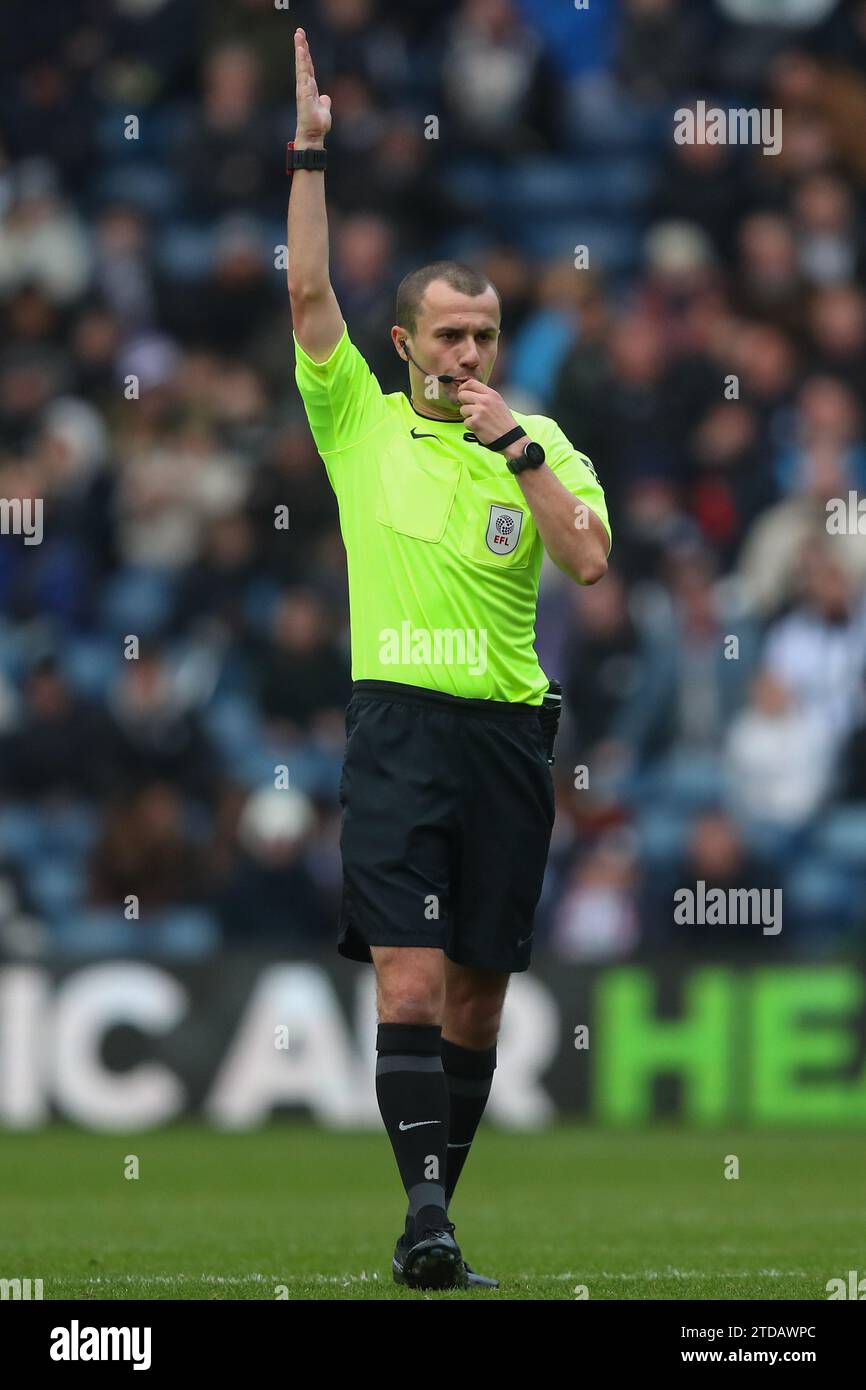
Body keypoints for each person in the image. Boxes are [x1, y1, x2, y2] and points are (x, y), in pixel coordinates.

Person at [287, 27, 611, 1292]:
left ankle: (430, 1214)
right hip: (397, 732)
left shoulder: (540, 441)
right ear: (407, 342)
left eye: (485, 335)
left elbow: (586, 562)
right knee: (409, 980)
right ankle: (427, 1218)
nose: (471, 356)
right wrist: (307, 150)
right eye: (450, 337)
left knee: (477, 998)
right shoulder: (355, 421)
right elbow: (308, 296)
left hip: (506, 739)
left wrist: (517, 453)